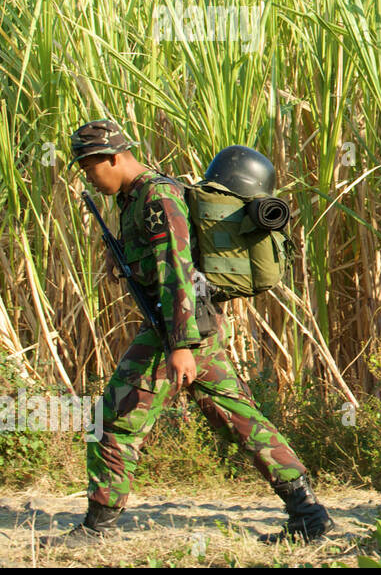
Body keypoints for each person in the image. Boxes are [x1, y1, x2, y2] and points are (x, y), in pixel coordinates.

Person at [60, 119, 332, 545]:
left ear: (112, 157)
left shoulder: (157, 195)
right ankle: (309, 515)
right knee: (240, 418)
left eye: (89, 168)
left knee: (113, 419)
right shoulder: (133, 199)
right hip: (192, 328)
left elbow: (178, 270)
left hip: (178, 330)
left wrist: (181, 345)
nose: (90, 179)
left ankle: (98, 527)